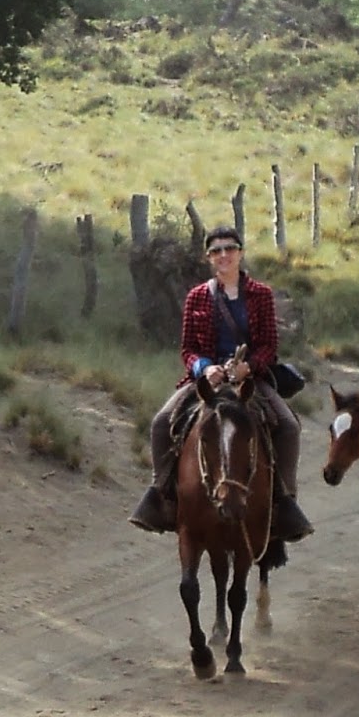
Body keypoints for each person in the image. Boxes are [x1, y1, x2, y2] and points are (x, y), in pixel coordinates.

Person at [128, 225, 313, 542]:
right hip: (208, 381)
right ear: (209, 258)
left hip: (250, 380)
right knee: (161, 423)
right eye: (216, 250)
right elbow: (188, 349)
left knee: (288, 425)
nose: (223, 255)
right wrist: (205, 368)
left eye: (229, 248)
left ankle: (284, 500)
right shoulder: (196, 297)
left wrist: (247, 367)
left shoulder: (261, 295)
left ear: (240, 253)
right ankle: (161, 495)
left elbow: (269, 346)